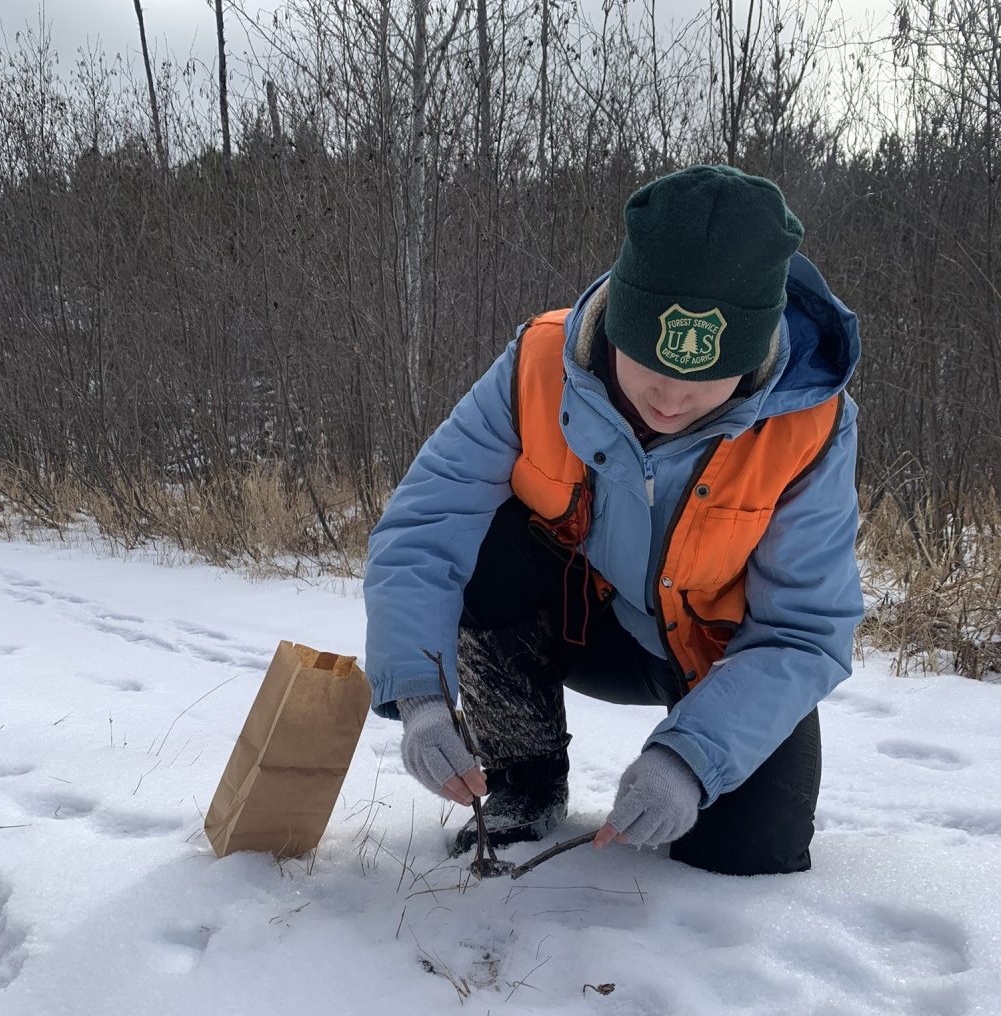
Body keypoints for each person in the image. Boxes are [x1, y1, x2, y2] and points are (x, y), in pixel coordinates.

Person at [363, 164, 864, 876]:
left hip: (719, 657)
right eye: (649, 366)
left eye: (704, 381)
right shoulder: (541, 361)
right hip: (584, 622)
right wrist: (418, 693)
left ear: (753, 359)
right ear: (618, 321)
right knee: (488, 540)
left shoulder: (810, 422)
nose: (669, 399)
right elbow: (424, 526)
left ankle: (704, 774)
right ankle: (524, 780)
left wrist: (688, 761)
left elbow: (805, 629)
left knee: (750, 849)